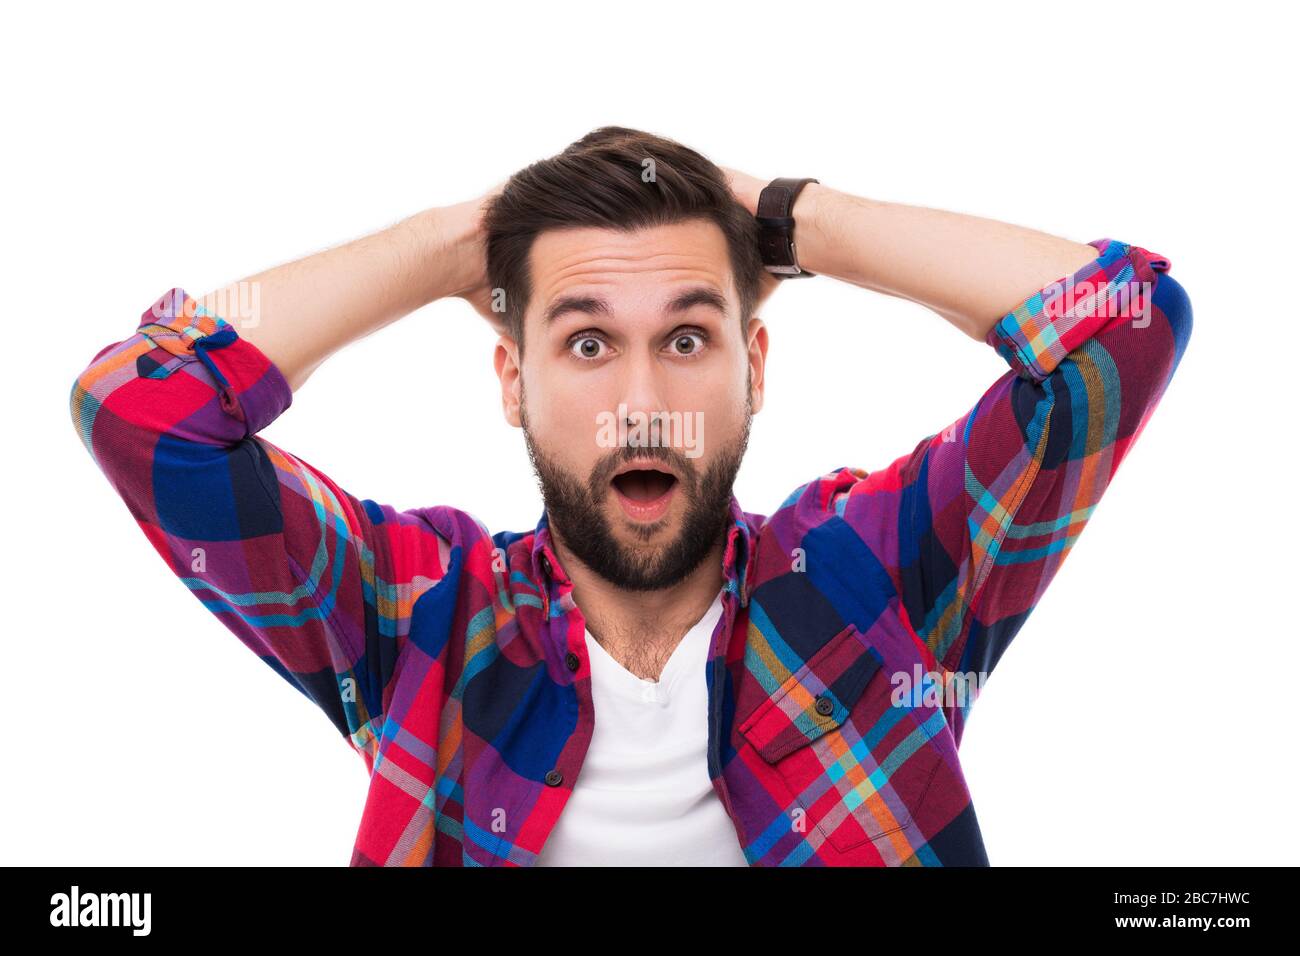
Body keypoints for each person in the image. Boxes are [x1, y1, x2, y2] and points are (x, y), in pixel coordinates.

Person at [69, 125, 1193, 866]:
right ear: (515, 379)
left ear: (756, 365)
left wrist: (796, 218)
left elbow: (1123, 325)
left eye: (690, 337)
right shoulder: (419, 617)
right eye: (588, 340)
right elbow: (142, 408)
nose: (643, 402)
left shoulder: (873, 581)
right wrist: (451, 245)